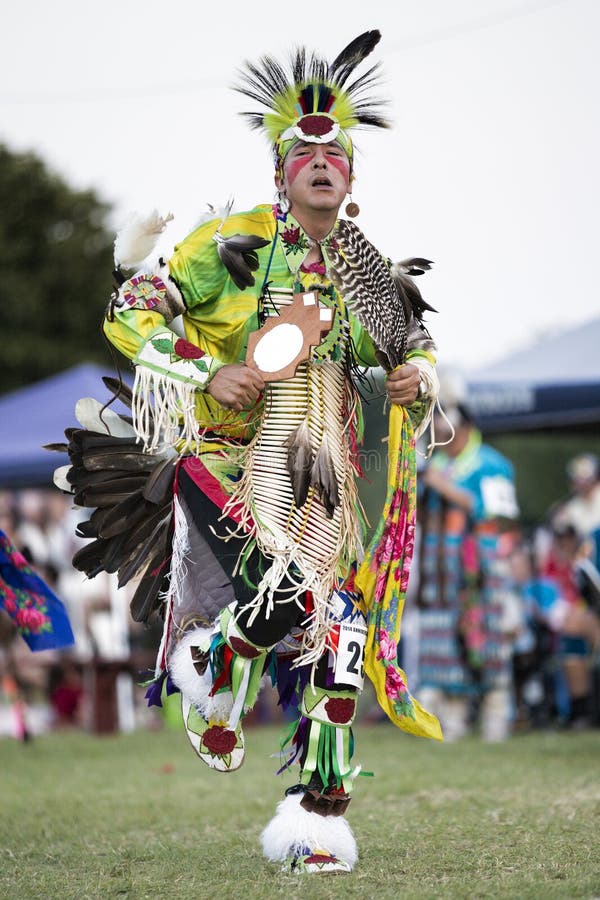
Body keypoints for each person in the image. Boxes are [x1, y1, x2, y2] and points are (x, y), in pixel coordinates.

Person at [58, 30, 442, 875]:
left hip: (322, 478)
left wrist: (416, 377)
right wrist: (209, 369)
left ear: (351, 177)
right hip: (218, 462)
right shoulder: (224, 244)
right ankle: (215, 657)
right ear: (279, 170)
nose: (321, 163)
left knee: (340, 637)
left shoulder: (365, 271)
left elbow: (412, 346)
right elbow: (130, 308)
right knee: (295, 594)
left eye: (335, 154)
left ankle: (315, 824)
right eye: (304, 152)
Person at [416, 402, 520, 742]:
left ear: (464, 430)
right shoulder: (435, 464)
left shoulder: (492, 464)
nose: (442, 440)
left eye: (447, 433)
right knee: (444, 647)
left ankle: (495, 718)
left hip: (483, 575)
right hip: (441, 575)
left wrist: (446, 488)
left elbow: (502, 519)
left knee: (489, 644)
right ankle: (452, 720)